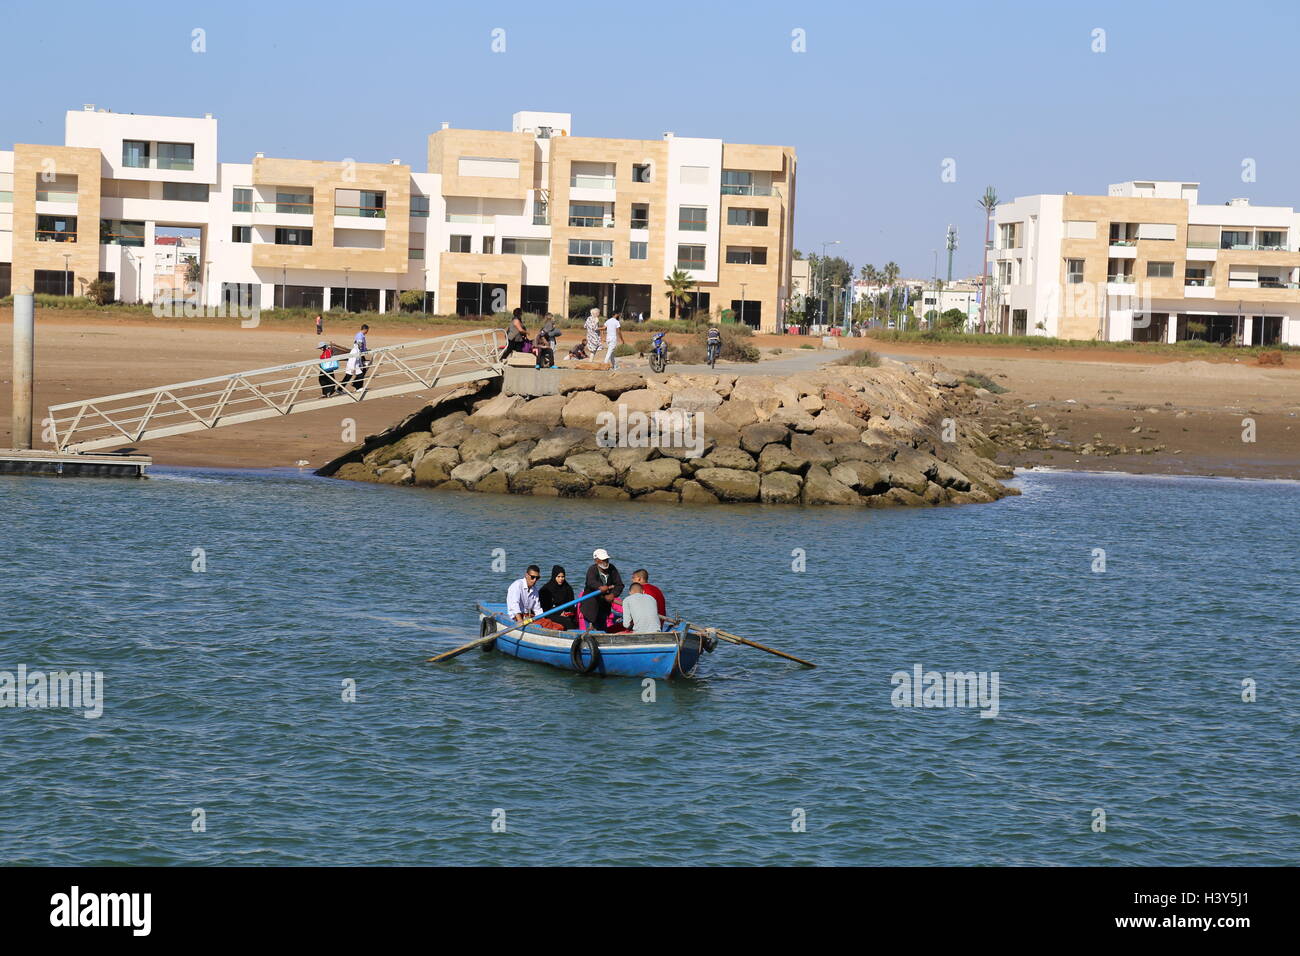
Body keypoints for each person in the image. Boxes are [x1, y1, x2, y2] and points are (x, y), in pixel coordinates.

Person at [580, 548, 623, 633]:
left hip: (604, 605)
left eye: (606, 560)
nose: (605, 562)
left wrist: (613, 595)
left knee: (602, 627)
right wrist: (600, 587)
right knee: (590, 630)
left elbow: (619, 585)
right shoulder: (592, 570)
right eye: (603, 560)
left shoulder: (612, 569)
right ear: (596, 561)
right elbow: (591, 582)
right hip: (591, 605)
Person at [538, 565, 577, 630]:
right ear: (554, 576)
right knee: (567, 622)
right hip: (551, 613)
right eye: (558, 577)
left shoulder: (568, 588)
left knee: (573, 619)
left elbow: (571, 604)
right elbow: (544, 608)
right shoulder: (545, 589)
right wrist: (559, 612)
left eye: (563, 577)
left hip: (565, 613)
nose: (561, 579)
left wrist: (568, 613)